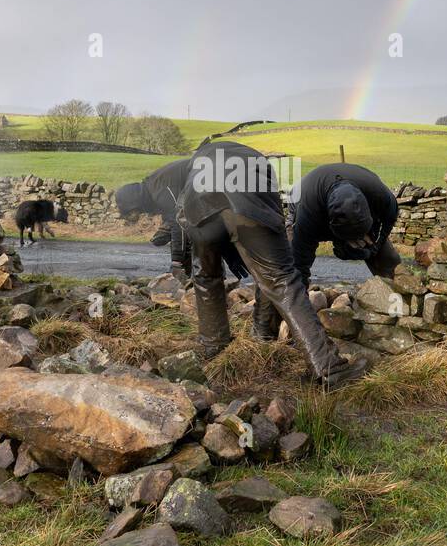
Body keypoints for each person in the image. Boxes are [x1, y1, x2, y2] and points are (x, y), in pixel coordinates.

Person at [118, 142, 367, 389]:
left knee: (206, 276)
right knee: (281, 280)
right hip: (246, 196)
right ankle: (329, 368)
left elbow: (192, 209)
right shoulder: (247, 161)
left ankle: (213, 347)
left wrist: (198, 250)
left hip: (197, 205)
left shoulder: (176, 174)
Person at [289, 163, 401, 286]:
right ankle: (277, 302)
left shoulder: (379, 194)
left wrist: (375, 248)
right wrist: (300, 296)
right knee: (288, 267)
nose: (357, 240)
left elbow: (388, 220)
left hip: (351, 198)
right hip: (303, 199)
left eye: (359, 235)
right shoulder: (308, 213)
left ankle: (399, 294)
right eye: (352, 237)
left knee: (387, 260)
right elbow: (300, 261)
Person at [114, 158, 194, 278]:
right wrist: (167, 227)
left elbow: (179, 223)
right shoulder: (151, 188)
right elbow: (175, 211)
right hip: (199, 185)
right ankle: (188, 279)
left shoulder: (159, 192)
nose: (138, 214)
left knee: (201, 239)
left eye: (133, 211)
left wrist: (176, 261)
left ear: (134, 202)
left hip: (209, 175)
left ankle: (206, 278)